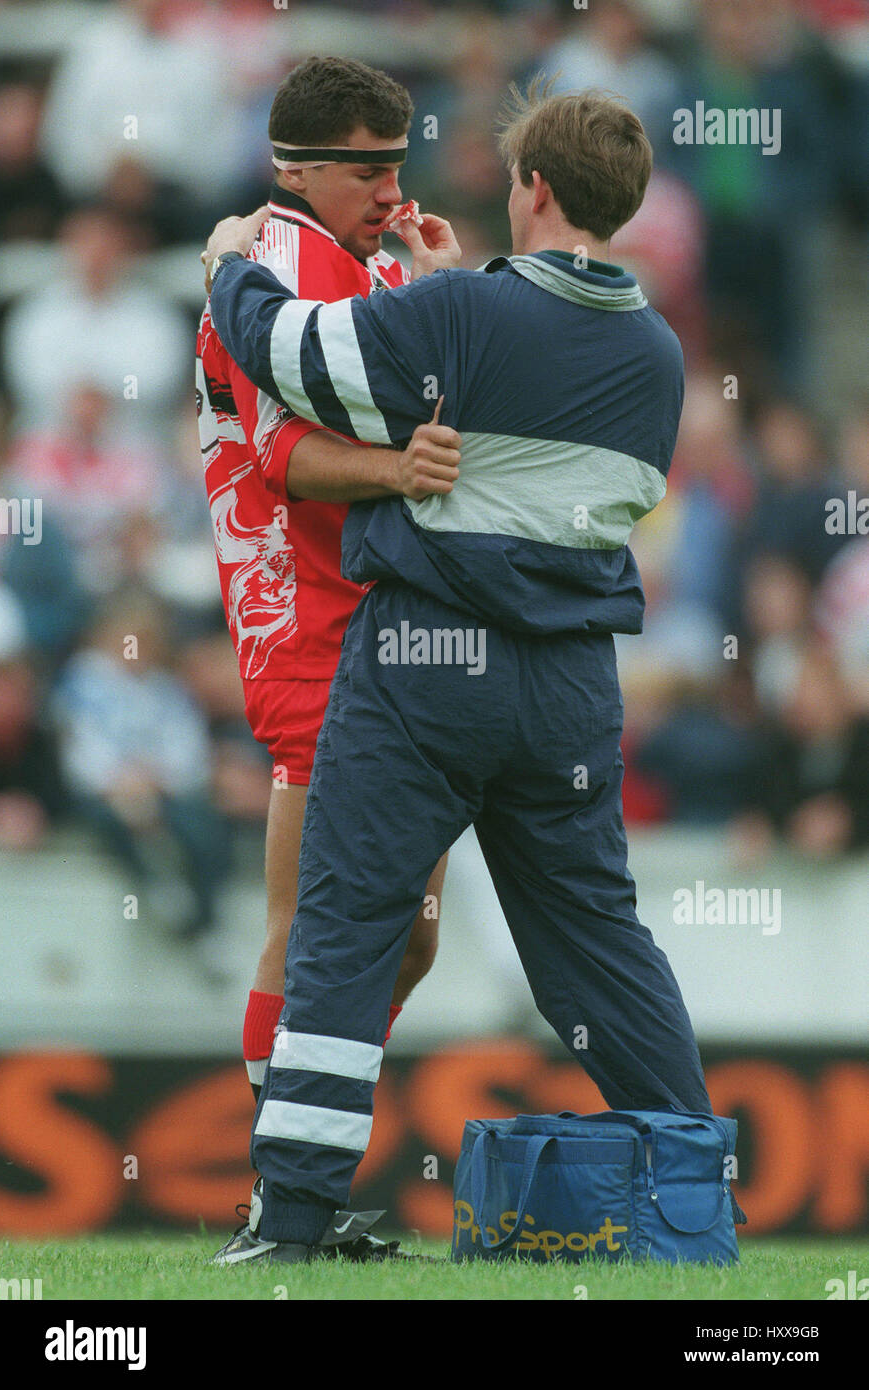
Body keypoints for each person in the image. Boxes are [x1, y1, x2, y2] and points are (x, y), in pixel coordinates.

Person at [205, 81, 715, 1264]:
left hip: (427, 664)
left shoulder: (462, 318)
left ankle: (289, 1216)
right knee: (599, 945)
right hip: (576, 687)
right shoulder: (659, 354)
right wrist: (445, 292)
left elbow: (287, 353)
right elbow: (553, 413)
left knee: (348, 925)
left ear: (530, 188)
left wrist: (229, 262)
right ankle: (693, 1184)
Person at [196, 58, 462, 1257]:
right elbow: (282, 456)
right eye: (367, 165)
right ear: (293, 169)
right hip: (301, 614)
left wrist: (440, 282)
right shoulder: (269, 260)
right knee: (313, 919)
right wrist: (406, 468)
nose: (389, 184)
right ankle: (281, 1185)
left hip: (384, 607)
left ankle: (299, 1115)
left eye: (399, 159)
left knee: (406, 933)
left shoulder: (376, 259)